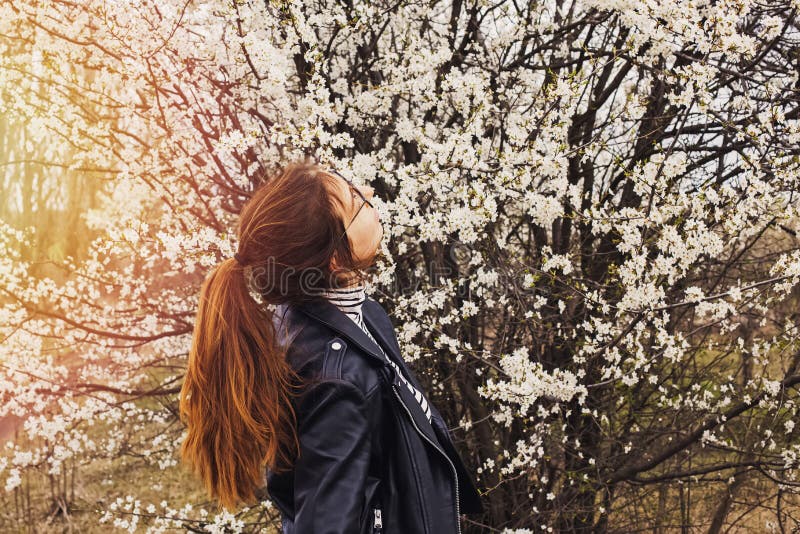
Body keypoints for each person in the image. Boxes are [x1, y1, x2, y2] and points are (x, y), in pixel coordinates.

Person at [179, 159, 483, 533]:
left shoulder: (360, 316)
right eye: (355, 201)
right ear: (336, 260)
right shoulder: (336, 380)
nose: (369, 192)